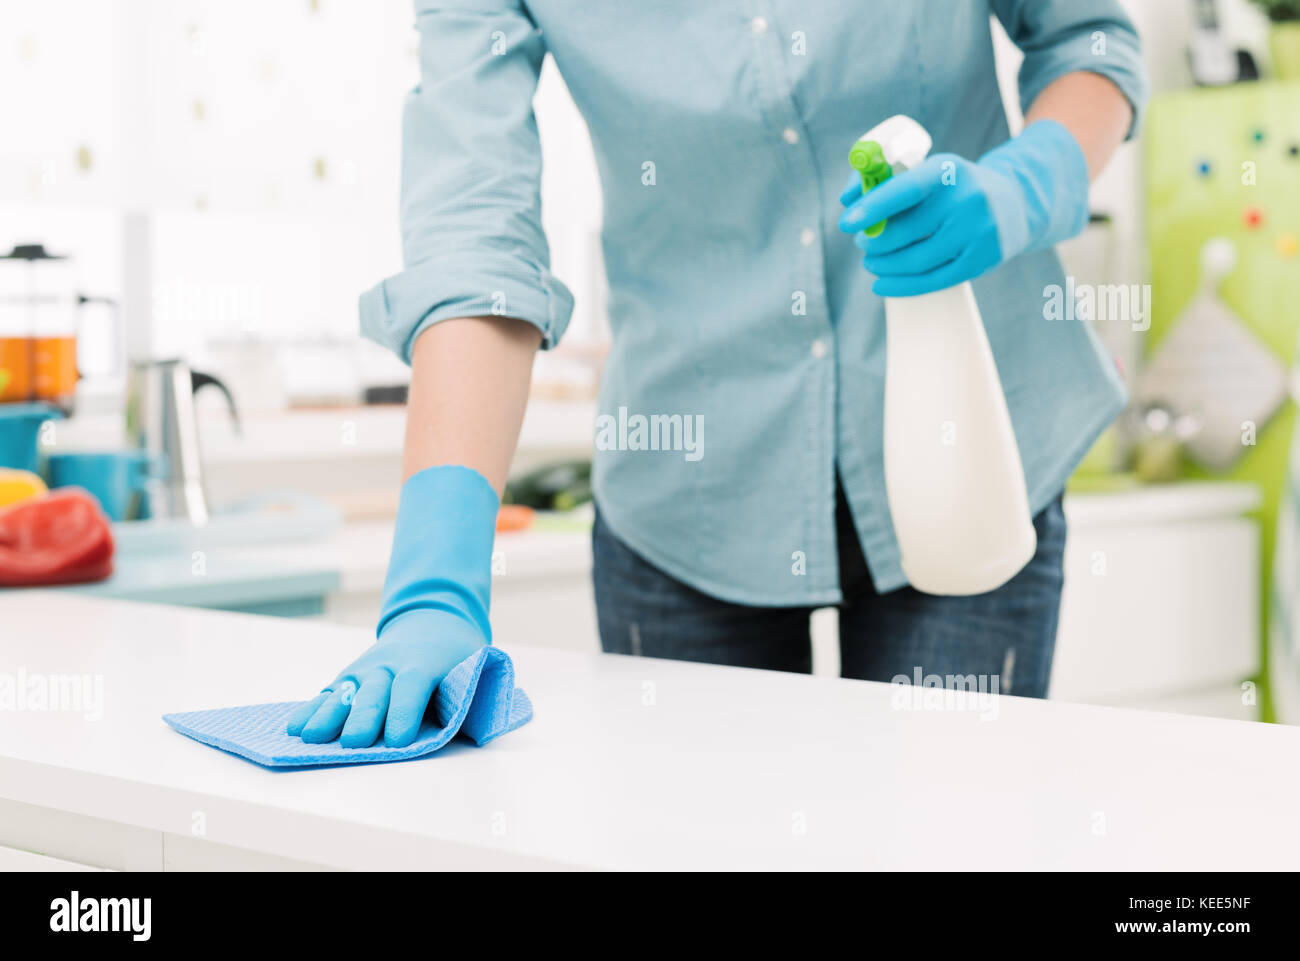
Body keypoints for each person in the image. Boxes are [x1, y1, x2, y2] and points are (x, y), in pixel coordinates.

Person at [289, 1, 1148, 747]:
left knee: (954, 844)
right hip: (693, 494)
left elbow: (1091, 42)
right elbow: (477, 235)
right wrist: (435, 579)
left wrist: (1020, 189)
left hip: (974, 453)